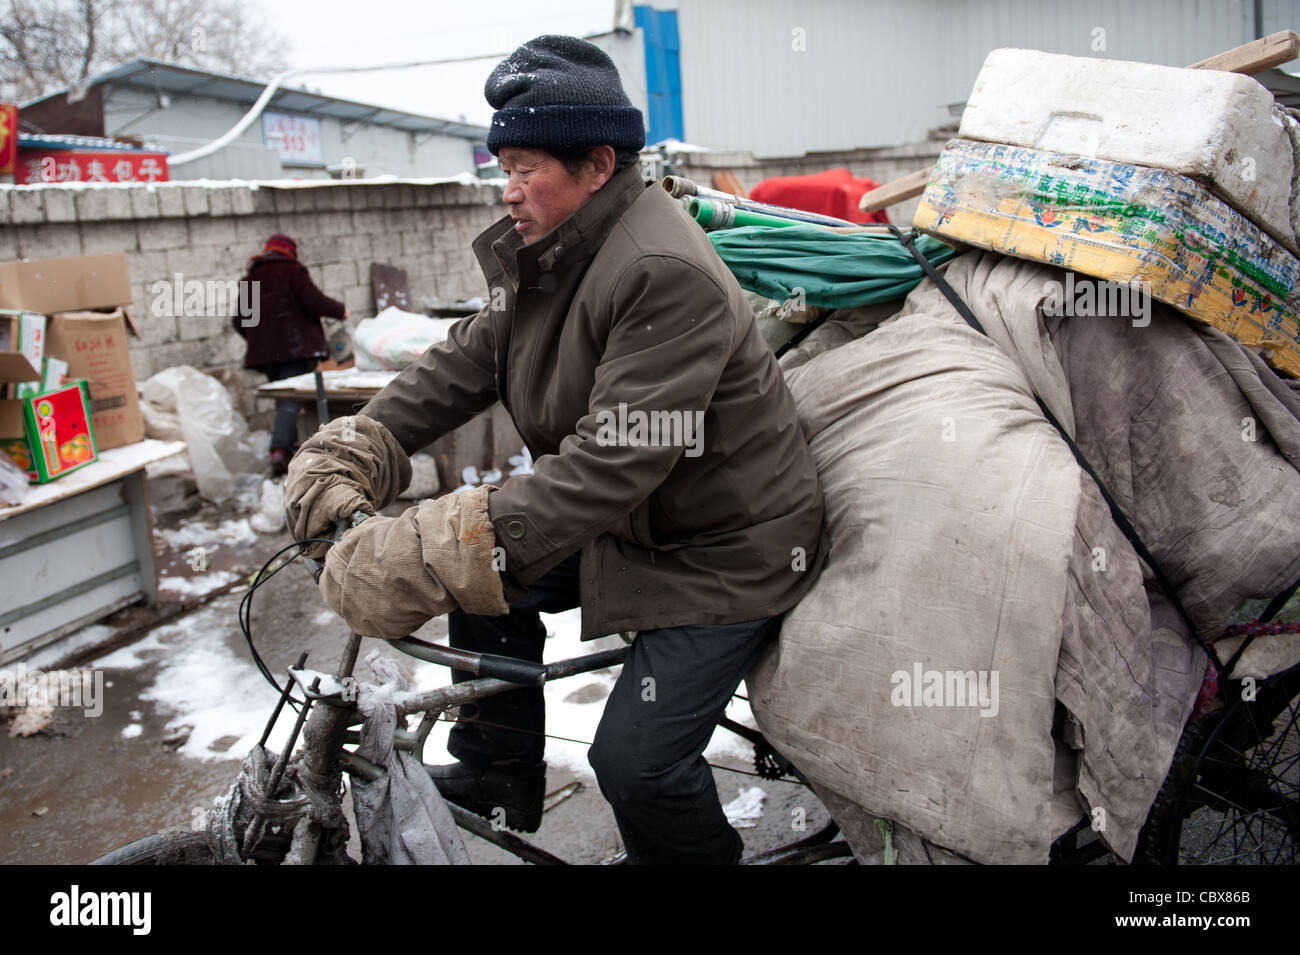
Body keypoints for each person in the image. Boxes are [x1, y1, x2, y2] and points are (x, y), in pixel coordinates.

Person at [284, 35, 826, 864]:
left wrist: (437, 541)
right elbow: (470, 356)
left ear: (599, 163)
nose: (507, 191)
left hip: (722, 547)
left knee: (636, 764)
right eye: (501, 165)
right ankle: (499, 768)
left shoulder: (656, 269)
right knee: (484, 581)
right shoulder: (557, 253)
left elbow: (607, 466)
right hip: (640, 521)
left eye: (525, 167)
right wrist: (367, 440)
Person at [233, 233, 348, 476]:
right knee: (291, 400)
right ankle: (280, 451)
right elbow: (314, 301)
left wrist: (260, 340)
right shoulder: (293, 272)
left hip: (266, 357)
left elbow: (240, 321)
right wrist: (341, 311)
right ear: (290, 251)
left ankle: (291, 449)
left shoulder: (250, 280)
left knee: (286, 399)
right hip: (297, 349)